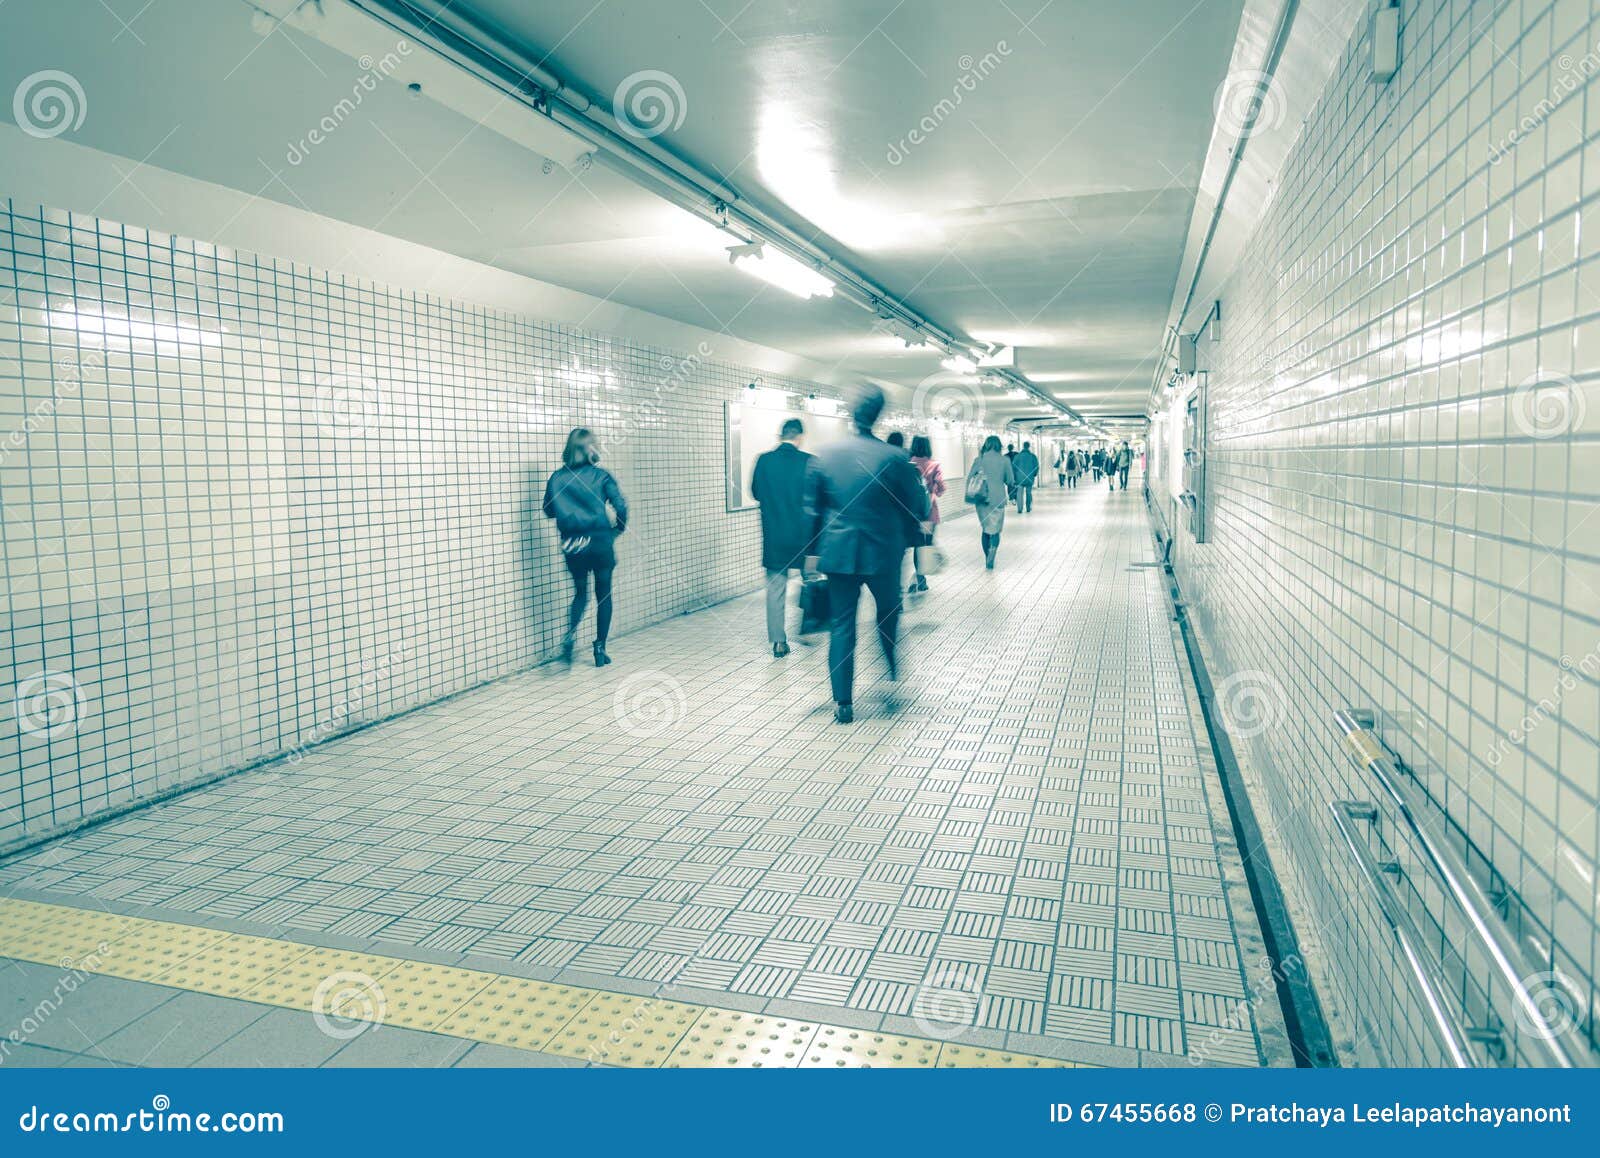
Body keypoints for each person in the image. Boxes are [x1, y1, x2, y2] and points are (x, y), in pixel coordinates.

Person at [805, 386, 929, 725]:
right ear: (878, 416)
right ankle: (890, 670)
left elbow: (811, 510)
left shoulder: (824, 455)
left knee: (842, 624)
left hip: (839, 553)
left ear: (851, 413)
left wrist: (811, 554)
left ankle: (843, 702)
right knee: (888, 613)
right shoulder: (894, 457)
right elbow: (916, 505)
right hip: (883, 553)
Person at [543, 428, 627, 667]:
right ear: (591, 448)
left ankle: (570, 635)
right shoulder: (601, 476)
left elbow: (548, 510)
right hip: (600, 541)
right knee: (604, 595)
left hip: (572, 543)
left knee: (580, 592)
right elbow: (620, 506)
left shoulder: (557, 478)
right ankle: (600, 648)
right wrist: (617, 529)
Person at [751, 417, 814, 657]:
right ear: (799, 437)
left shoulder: (764, 461)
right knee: (812, 582)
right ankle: (809, 629)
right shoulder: (810, 462)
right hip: (806, 539)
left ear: (781, 436)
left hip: (774, 537)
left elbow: (756, 492)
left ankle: (778, 641)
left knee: (776, 590)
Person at [967, 434, 1014, 570]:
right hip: (998, 499)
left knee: (986, 529)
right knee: (996, 530)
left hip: (982, 500)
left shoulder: (979, 460)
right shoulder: (1004, 460)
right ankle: (993, 551)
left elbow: (970, 477)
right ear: (999, 446)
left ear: (986, 445)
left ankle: (987, 556)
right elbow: (1010, 480)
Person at [908, 434, 945, 593]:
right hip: (930, 511)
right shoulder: (934, 465)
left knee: (918, 545)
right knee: (927, 544)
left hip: (913, 512)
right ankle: (920, 577)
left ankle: (919, 577)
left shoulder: (908, 464)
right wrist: (934, 489)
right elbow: (941, 489)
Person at [1013, 441, 1039, 512]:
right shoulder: (1033, 456)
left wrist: (1014, 476)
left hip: (1019, 478)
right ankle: (1028, 507)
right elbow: (1036, 466)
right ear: (1029, 446)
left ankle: (1020, 508)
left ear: (1023, 446)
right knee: (1028, 493)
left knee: (1019, 493)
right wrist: (1034, 474)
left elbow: (1013, 467)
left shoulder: (1017, 456)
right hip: (1029, 478)